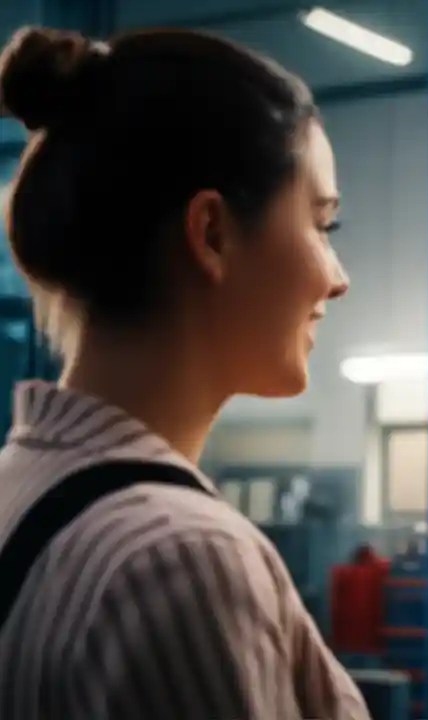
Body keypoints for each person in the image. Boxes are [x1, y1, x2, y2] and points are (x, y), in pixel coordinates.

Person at [0, 27, 370, 719]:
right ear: (212, 235)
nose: (337, 279)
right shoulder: (182, 559)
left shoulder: (18, 487)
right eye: (323, 225)